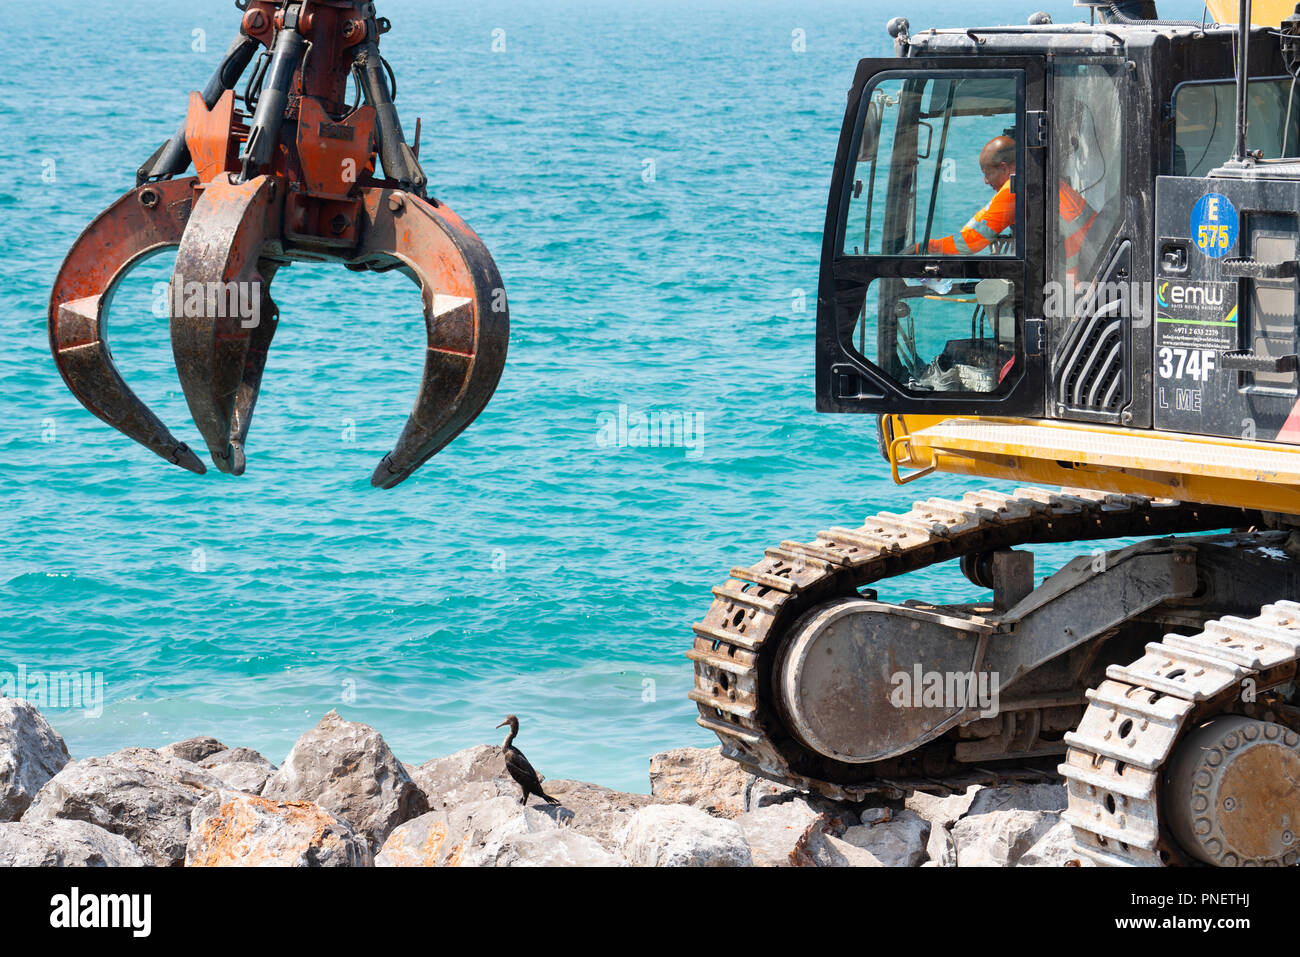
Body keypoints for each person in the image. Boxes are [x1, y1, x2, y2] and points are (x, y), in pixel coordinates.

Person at [919, 135, 1099, 275]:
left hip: (1080, 270)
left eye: (987, 174)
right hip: (1091, 256)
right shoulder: (1036, 175)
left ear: (1004, 169)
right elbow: (984, 218)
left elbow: (970, 243)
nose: (985, 181)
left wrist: (927, 247)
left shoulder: (1014, 188)